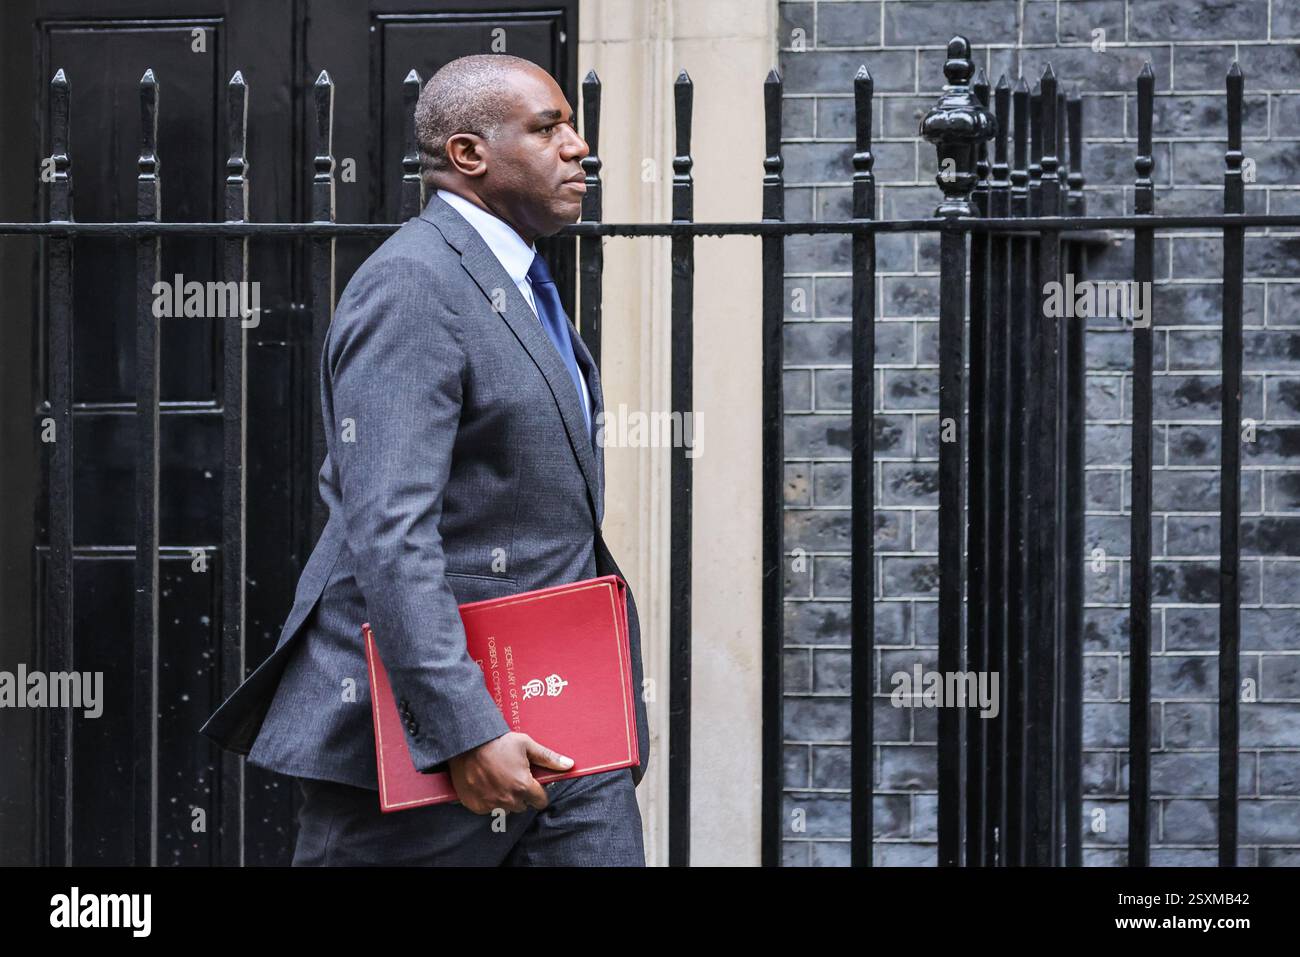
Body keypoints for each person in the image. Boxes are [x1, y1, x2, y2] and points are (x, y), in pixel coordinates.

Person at [198, 53, 650, 866]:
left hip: (569, 728)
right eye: (548, 128)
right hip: (431, 747)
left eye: (571, 127)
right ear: (469, 154)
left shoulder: (520, 281)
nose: (579, 147)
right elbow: (390, 528)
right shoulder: (413, 282)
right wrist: (463, 728)